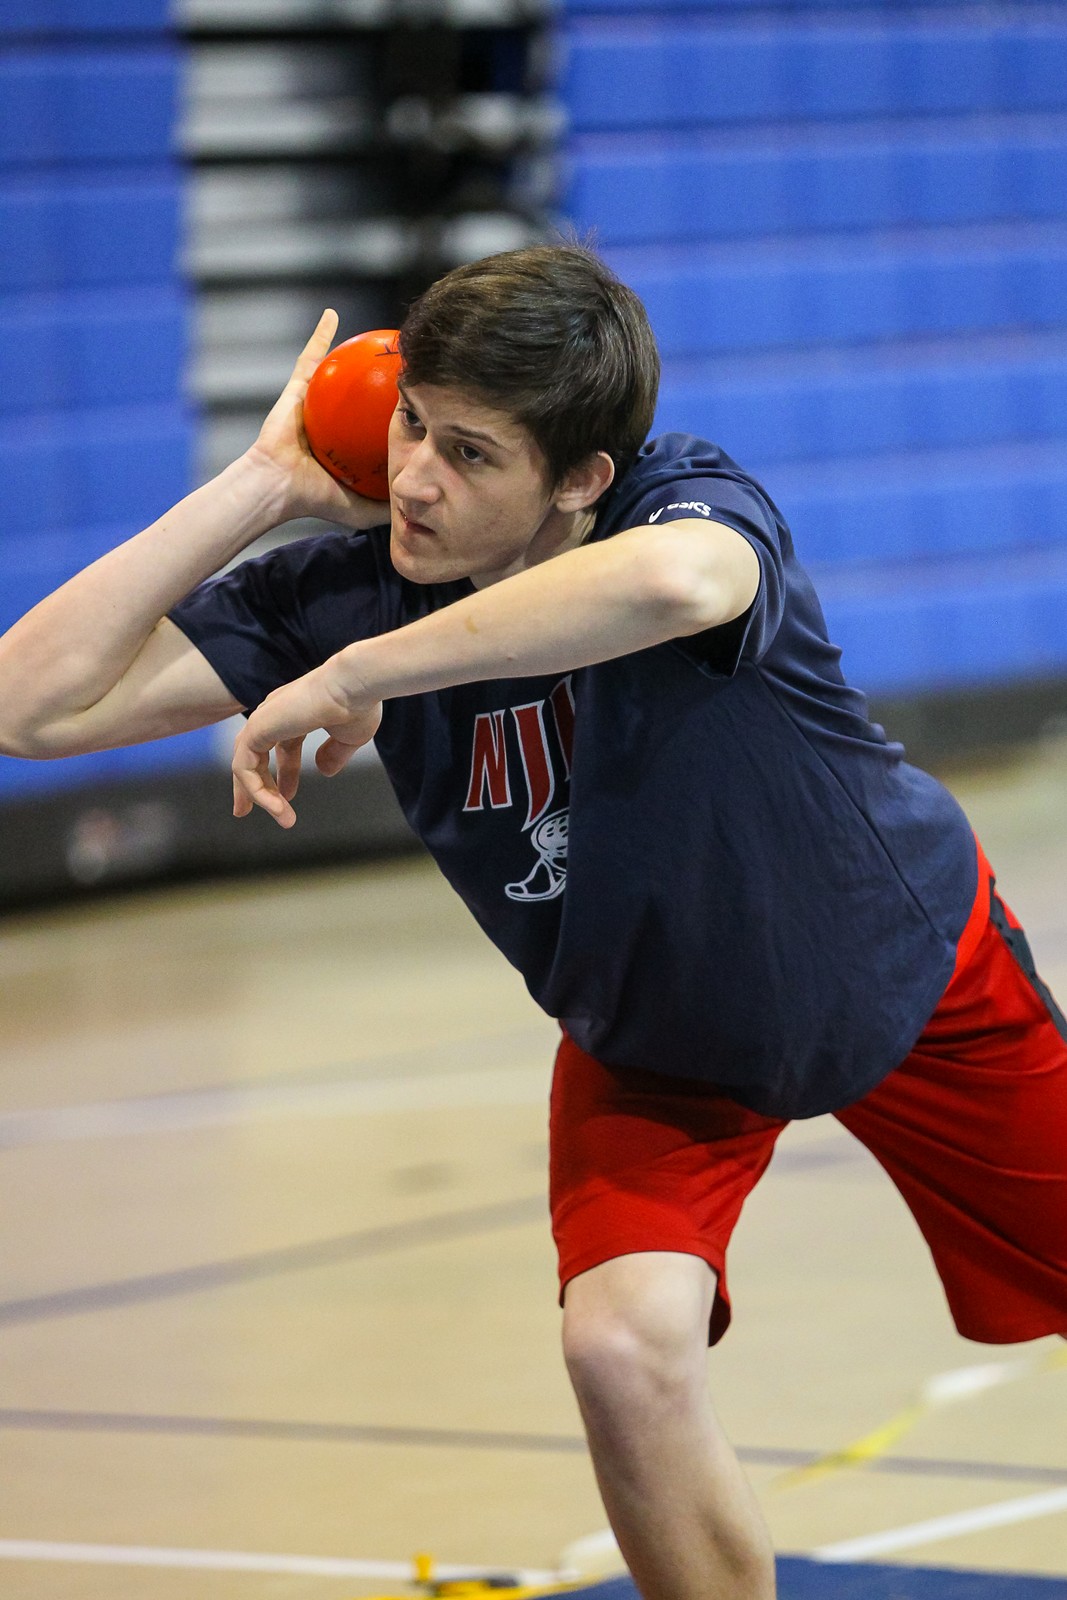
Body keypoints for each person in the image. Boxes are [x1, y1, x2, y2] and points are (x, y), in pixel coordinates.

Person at [1, 244, 1065, 1600]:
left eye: (470, 454)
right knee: (619, 1348)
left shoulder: (679, 502)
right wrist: (263, 482)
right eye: (410, 425)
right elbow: (27, 708)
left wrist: (358, 675)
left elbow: (680, 589)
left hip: (899, 972)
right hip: (658, 1035)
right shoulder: (351, 581)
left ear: (579, 479)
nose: (415, 478)